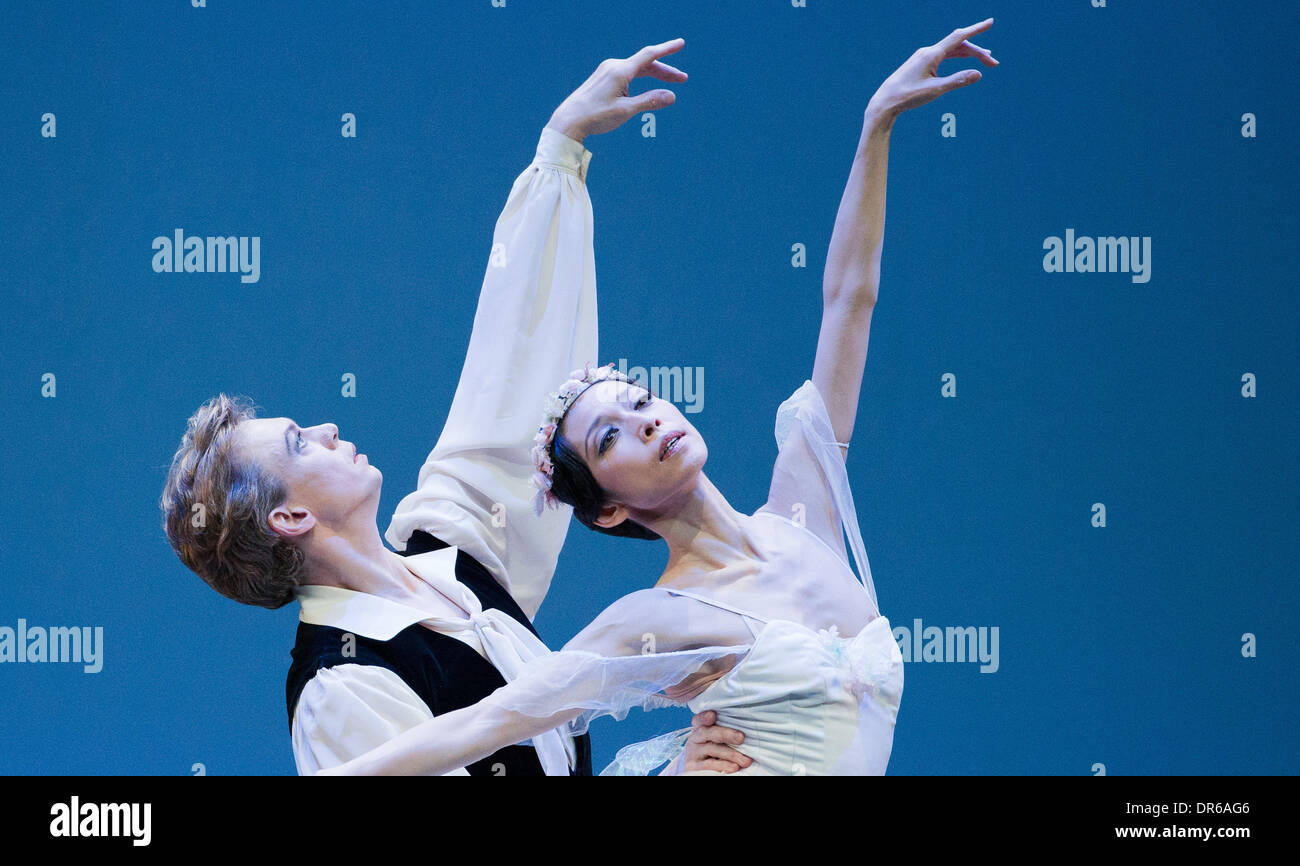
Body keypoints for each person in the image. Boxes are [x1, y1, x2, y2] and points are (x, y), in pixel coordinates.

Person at [318, 20, 999, 776]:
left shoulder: (805, 513)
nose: (645, 422)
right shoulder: (654, 620)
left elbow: (849, 300)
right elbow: (486, 723)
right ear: (607, 510)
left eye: (638, 401)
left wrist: (877, 127)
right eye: (609, 439)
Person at [159, 39, 750, 776]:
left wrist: (559, 154)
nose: (327, 427)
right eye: (299, 443)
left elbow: (512, 382)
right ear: (289, 519)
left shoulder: (446, 555)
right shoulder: (339, 690)